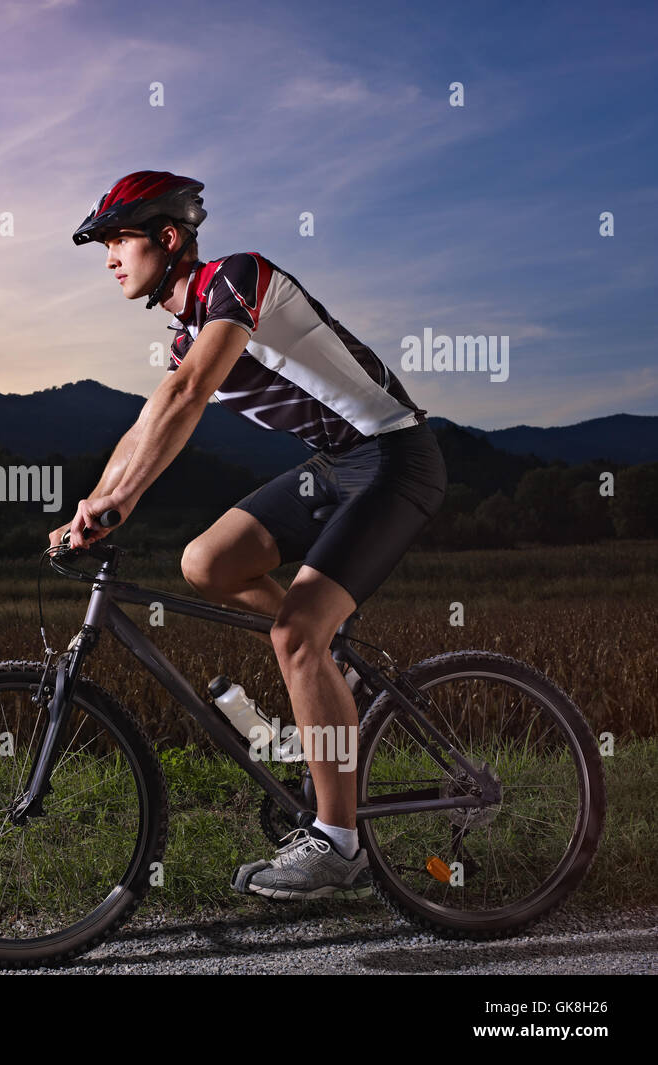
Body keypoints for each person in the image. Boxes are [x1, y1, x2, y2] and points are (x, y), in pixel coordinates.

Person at [48, 170, 448, 901]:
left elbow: (188, 395)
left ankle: (339, 844)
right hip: (336, 464)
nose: (108, 257)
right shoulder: (183, 338)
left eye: (118, 239)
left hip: (395, 455)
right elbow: (146, 425)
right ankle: (334, 654)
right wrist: (91, 506)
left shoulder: (237, 280)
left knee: (293, 635)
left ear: (168, 238)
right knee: (205, 561)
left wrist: (121, 505)